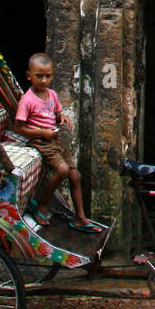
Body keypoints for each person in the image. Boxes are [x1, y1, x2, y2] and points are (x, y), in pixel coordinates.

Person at [14, 52, 101, 233]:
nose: (44, 81)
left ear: (53, 75)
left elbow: (55, 114)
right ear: (29, 76)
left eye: (48, 76)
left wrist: (62, 118)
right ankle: (43, 203)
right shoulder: (27, 100)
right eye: (39, 76)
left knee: (75, 175)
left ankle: (80, 217)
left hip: (55, 140)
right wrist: (41, 132)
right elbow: (19, 128)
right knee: (62, 170)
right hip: (40, 142)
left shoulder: (51, 95)